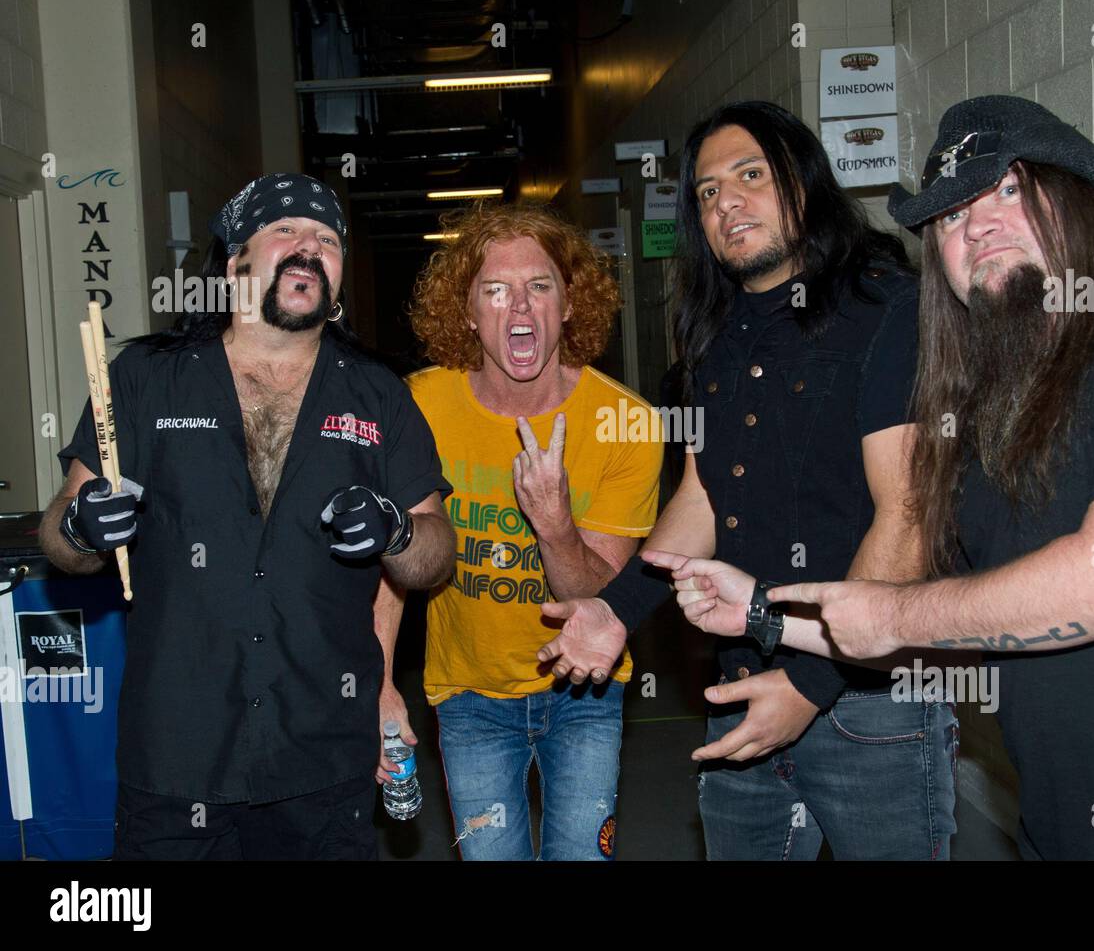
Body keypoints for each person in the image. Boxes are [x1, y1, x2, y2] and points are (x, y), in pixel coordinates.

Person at [657, 96, 1094, 860]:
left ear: (1086, 196)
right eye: (952, 218)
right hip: (1067, 827)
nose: (980, 224)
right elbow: (969, 623)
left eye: (1010, 189)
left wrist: (892, 621)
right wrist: (764, 613)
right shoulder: (1008, 411)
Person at [538, 101, 959, 860]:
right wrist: (612, 611)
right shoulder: (711, 337)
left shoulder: (887, 309)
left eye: (750, 176)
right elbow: (700, 498)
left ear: (804, 184)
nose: (725, 201)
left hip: (871, 706)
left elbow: (907, 516)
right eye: (705, 191)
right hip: (740, 688)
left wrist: (807, 685)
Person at [40, 173, 456, 860]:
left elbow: (435, 550)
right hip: (177, 755)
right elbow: (60, 535)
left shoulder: (378, 393)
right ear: (235, 259)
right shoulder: (146, 379)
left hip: (323, 756)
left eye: (326, 238)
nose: (309, 247)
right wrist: (82, 527)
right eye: (285, 231)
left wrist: (399, 530)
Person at [379, 205, 662, 860]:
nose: (520, 308)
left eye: (540, 285)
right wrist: (379, 681)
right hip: (469, 693)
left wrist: (555, 521)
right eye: (495, 290)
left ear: (569, 305)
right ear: (468, 313)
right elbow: (393, 562)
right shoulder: (419, 408)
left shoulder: (629, 423)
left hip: (584, 689)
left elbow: (597, 605)